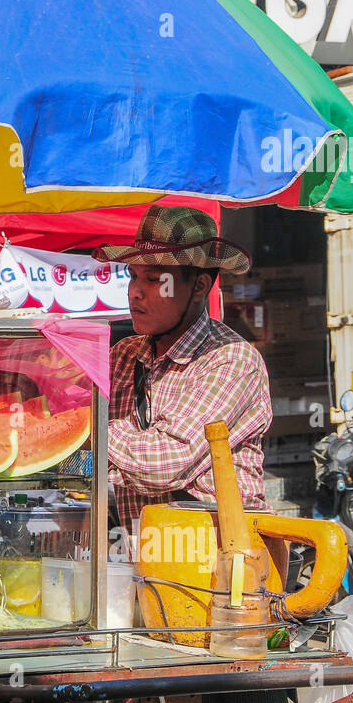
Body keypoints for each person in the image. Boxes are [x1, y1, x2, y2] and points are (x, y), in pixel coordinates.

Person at [94, 204, 272, 544]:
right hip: (146, 562)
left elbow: (165, 462)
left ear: (199, 287)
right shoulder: (124, 356)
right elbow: (69, 420)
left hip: (222, 568)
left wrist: (93, 427)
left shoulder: (231, 361)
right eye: (132, 276)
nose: (135, 291)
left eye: (154, 280)